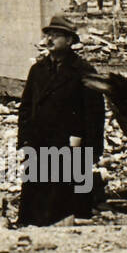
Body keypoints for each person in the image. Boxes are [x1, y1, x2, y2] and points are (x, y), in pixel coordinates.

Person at [16, 13, 105, 227]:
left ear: (70, 41)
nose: (50, 39)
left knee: (68, 201)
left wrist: (92, 149)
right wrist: (24, 139)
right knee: (36, 198)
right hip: (39, 141)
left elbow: (95, 113)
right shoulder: (37, 70)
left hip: (71, 142)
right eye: (48, 34)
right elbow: (26, 106)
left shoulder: (83, 71)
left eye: (57, 35)